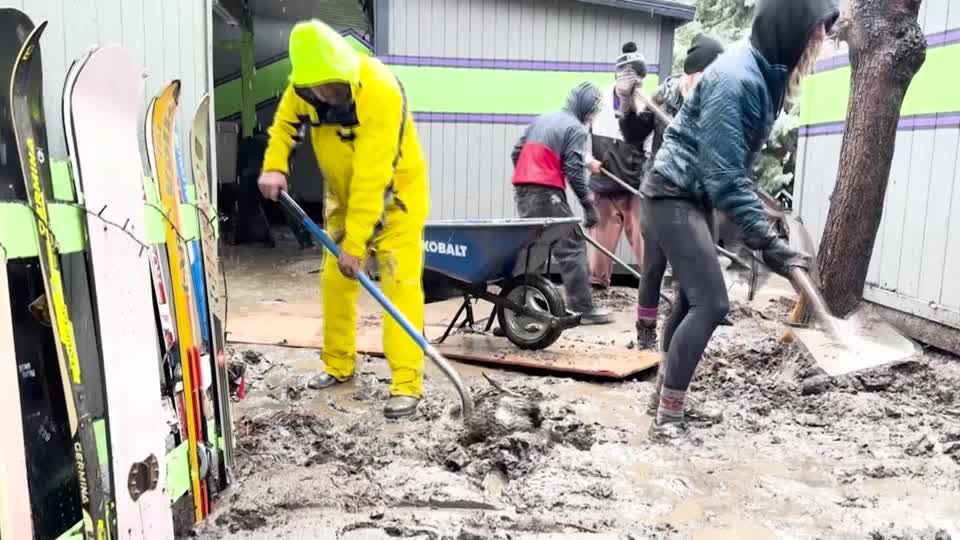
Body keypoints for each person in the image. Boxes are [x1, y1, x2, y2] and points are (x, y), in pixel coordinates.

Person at [641, 0, 838, 439]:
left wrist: (763, 228)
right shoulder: (737, 79)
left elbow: (732, 170)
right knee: (712, 303)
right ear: (790, 31)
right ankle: (668, 416)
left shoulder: (765, 73)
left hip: (690, 194)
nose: (821, 42)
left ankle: (664, 399)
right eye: (815, 33)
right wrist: (767, 243)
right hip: (672, 194)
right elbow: (726, 177)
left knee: (694, 300)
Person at [258, 19, 429, 418]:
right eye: (326, 90)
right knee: (335, 282)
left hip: (394, 197)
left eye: (339, 87)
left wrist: (354, 247)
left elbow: (373, 178)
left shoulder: (380, 90)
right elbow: (284, 125)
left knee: (398, 284)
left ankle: (406, 383)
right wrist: (275, 164)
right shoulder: (304, 85)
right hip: (342, 198)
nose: (334, 95)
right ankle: (338, 363)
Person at [635, 34, 724, 351]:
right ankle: (646, 330)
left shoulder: (717, 101)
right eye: (706, 72)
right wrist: (628, 106)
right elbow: (634, 134)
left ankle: (681, 337)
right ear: (691, 71)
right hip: (663, 192)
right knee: (654, 266)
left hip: (700, 197)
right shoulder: (664, 96)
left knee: (696, 271)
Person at [510, 82, 612, 325]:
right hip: (546, 192)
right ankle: (582, 308)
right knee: (573, 243)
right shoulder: (575, 128)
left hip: (524, 189)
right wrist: (588, 205)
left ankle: (518, 308)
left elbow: (516, 152)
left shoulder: (542, 119)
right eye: (592, 111)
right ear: (585, 108)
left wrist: (529, 176)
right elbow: (574, 170)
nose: (592, 116)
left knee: (532, 248)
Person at [586, 42, 656, 290]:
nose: (635, 85)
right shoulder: (597, 103)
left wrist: (648, 178)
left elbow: (649, 148)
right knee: (601, 244)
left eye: (639, 80)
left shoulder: (647, 107)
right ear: (620, 76)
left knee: (643, 239)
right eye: (631, 78)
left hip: (634, 186)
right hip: (605, 185)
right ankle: (597, 286)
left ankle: (651, 284)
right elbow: (577, 138)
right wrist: (587, 160)